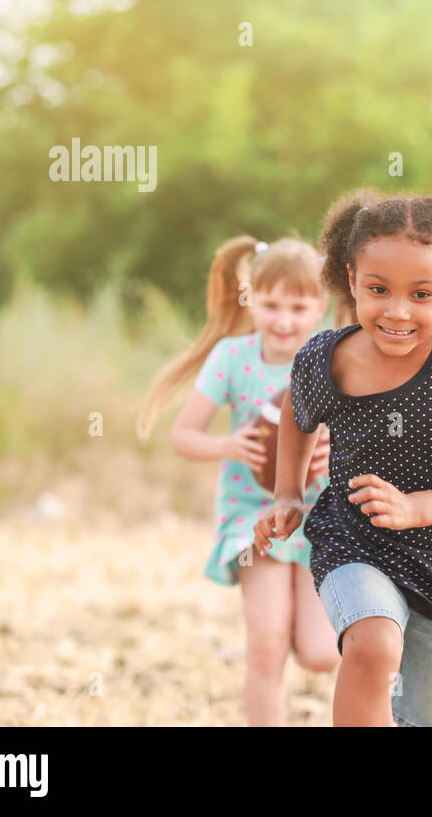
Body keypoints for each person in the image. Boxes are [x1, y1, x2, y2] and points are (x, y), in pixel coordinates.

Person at [254, 188, 432, 726]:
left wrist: (416, 507)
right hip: (355, 542)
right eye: (378, 289)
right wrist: (288, 492)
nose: (397, 311)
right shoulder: (327, 357)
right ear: (352, 278)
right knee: (374, 641)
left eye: (421, 294)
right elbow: (296, 409)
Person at [136, 235, 339, 726]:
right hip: (256, 519)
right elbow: (184, 436)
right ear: (251, 298)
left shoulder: (335, 358)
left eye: (298, 305)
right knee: (267, 647)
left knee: (320, 654)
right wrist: (228, 445)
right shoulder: (232, 357)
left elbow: (370, 437)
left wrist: (334, 452)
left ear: (322, 305)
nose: (284, 320)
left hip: (321, 520)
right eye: (270, 305)